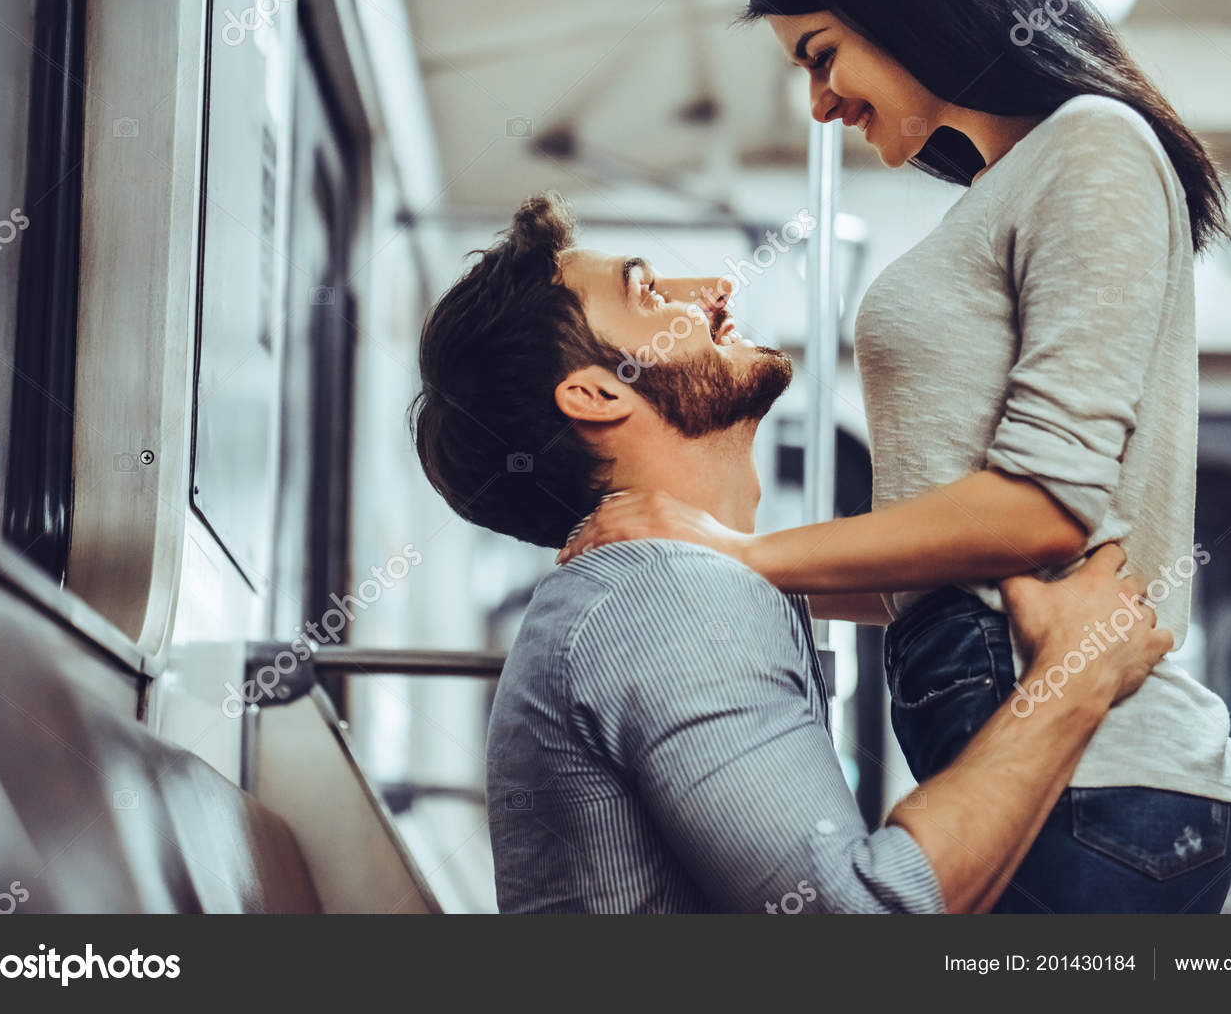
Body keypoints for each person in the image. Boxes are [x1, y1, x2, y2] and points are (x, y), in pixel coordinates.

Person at [558, 0, 1231, 913]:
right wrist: (700, 566)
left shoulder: (1093, 148)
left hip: (1102, 776)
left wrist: (739, 552)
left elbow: (1041, 512)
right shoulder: (1012, 184)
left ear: (908, 0)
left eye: (823, 55)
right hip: (1053, 757)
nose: (820, 103)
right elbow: (935, 572)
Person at [411, 192, 1170, 913]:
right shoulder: (666, 600)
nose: (715, 291)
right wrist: (1077, 678)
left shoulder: (656, 586)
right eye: (647, 293)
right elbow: (861, 915)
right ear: (599, 394)